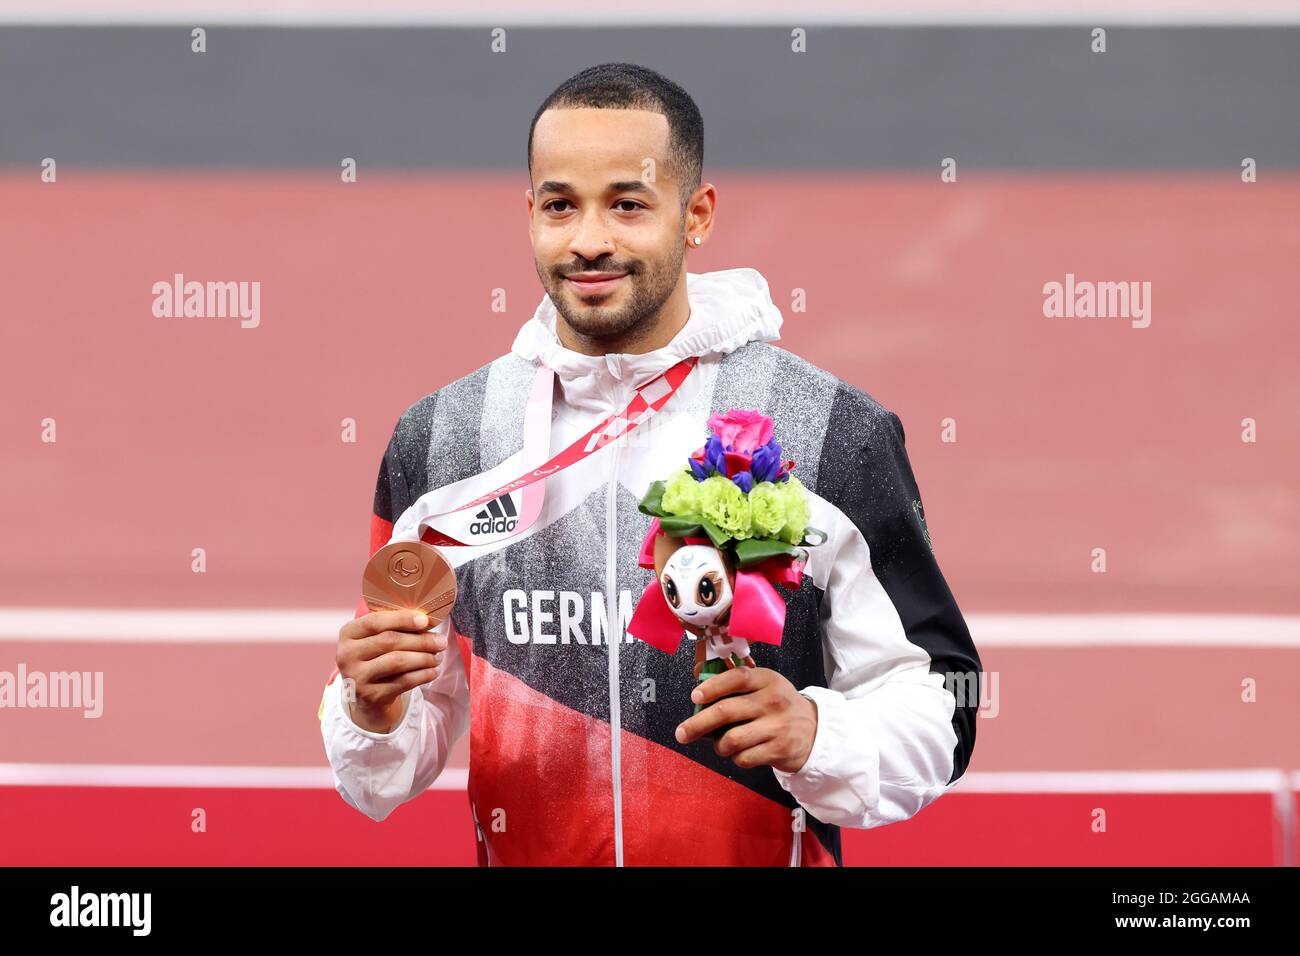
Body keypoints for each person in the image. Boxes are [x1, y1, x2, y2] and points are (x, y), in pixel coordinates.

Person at [320, 62, 980, 866]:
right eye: (561, 205)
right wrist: (374, 710)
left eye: (628, 204)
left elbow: (941, 703)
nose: (589, 239)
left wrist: (819, 734)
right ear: (530, 214)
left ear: (696, 214)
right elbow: (384, 771)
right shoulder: (444, 439)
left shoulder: (830, 429)